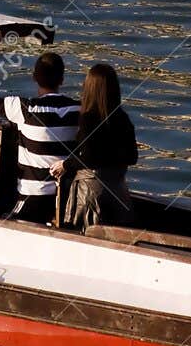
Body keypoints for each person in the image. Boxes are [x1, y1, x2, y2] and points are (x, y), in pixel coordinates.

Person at [0, 29, 79, 223]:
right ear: (62, 80)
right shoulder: (78, 110)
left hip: (31, 201)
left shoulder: (24, 108)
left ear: (34, 77)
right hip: (67, 199)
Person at [58, 63, 137, 231]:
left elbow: (88, 157)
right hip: (118, 190)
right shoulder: (123, 118)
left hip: (91, 193)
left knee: (86, 233)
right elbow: (132, 157)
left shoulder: (88, 119)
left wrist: (65, 165)